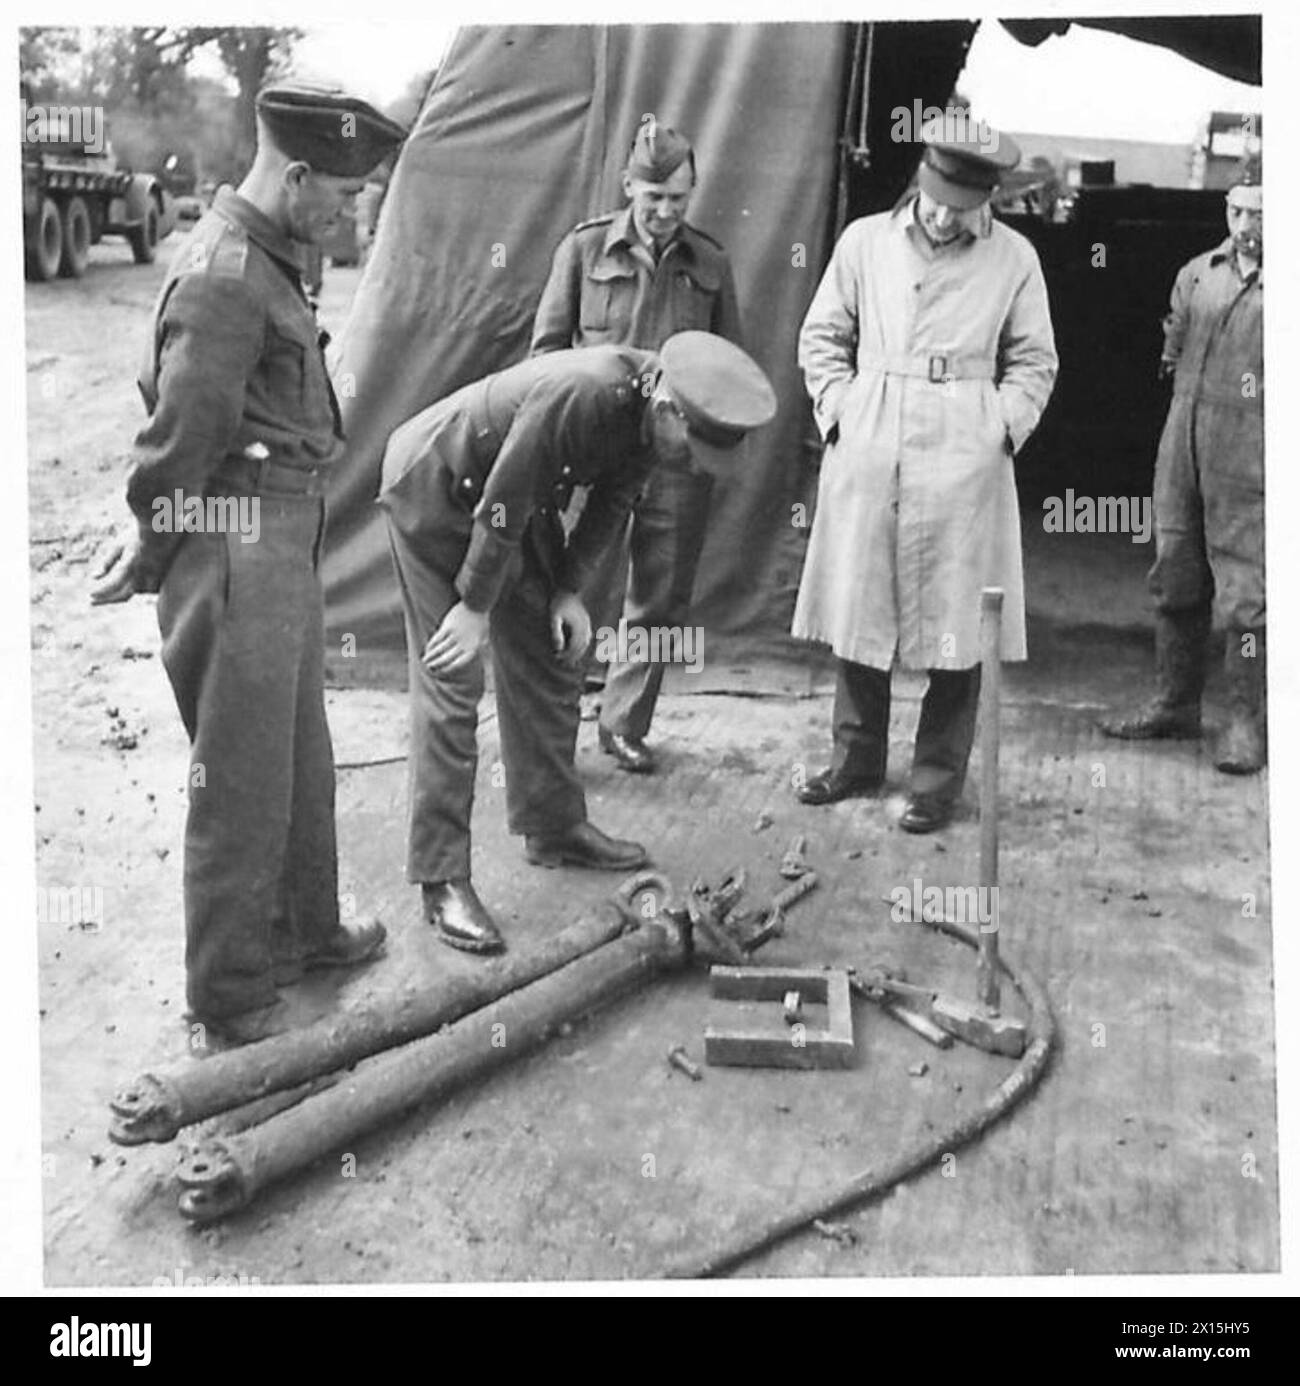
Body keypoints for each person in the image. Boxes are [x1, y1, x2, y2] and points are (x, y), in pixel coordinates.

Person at [91, 80, 406, 1046]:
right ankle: (228, 997)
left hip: (281, 536)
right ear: (298, 174)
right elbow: (178, 441)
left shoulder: (275, 256)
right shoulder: (228, 275)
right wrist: (151, 546)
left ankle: (305, 933)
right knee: (237, 780)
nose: (354, 211)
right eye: (346, 194)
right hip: (235, 544)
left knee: (300, 759)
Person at [378, 332, 775, 954]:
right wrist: (475, 609)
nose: (696, 465)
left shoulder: (650, 409)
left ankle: (553, 826)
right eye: (694, 449)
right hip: (438, 489)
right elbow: (503, 496)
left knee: (551, 650)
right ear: (669, 411)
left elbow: (614, 499)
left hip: (512, 507)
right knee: (451, 678)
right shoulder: (586, 392)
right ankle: (441, 879)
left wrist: (568, 590)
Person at [793, 117, 1058, 834]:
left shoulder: (1015, 259)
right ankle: (855, 761)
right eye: (934, 195)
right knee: (860, 603)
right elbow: (822, 336)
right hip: (874, 434)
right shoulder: (864, 243)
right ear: (920, 178)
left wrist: (998, 428)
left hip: (963, 450)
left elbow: (1035, 359)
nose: (943, 214)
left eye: (959, 203)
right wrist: (840, 410)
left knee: (958, 619)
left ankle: (937, 781)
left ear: (986, 199)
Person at [531, 118, 743, 774]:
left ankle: (624, 725)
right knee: (571, 588)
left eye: (678, 199)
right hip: (593, 455)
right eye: (652, 197)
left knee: (658, 595)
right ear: (628, 185)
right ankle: (553, 725)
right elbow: (545, 354)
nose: (664, 212)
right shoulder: (585, 250)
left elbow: (729, 368)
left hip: (673, 461)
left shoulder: (709, 262)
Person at [1100, 160, 1265, 773]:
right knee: (1175, 574)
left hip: (1252, 454)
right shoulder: (1198, 275)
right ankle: (1174, 703)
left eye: (1261, 213)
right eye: (1238, 210)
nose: (1246, 225)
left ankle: (1247, 721)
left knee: (1248, 598)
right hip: (1182, 444)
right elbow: (1172, 355)